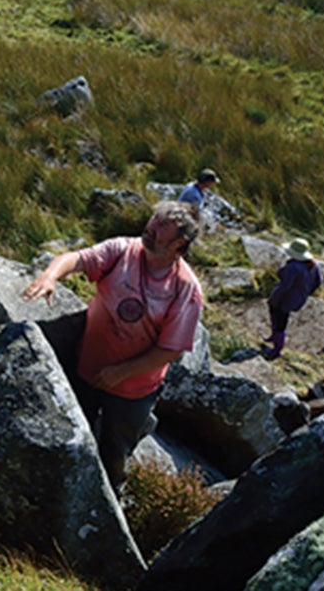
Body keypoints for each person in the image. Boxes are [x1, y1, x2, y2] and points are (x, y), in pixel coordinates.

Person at [22, 200, 204, 492]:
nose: (149, 230)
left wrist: (121, 372)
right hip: (87, 366)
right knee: (73, 429)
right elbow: (77, 258)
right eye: (152, 222)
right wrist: (50, 275)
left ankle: (111, 497)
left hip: (134, 390)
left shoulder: (186, 290)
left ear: (179, 244)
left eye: (160, 229)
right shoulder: (124, 250)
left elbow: (171, 350)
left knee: (116, 452)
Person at [262, 238, 322, 359]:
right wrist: (306, 293)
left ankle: (277, 349)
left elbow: (285, 286)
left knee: (280, 320)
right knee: (279, 316)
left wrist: (274, 298)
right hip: (298, 298)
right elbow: (318, 282)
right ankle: (274, 337)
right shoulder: (314, 265)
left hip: (284, 299)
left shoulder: (293, 266)